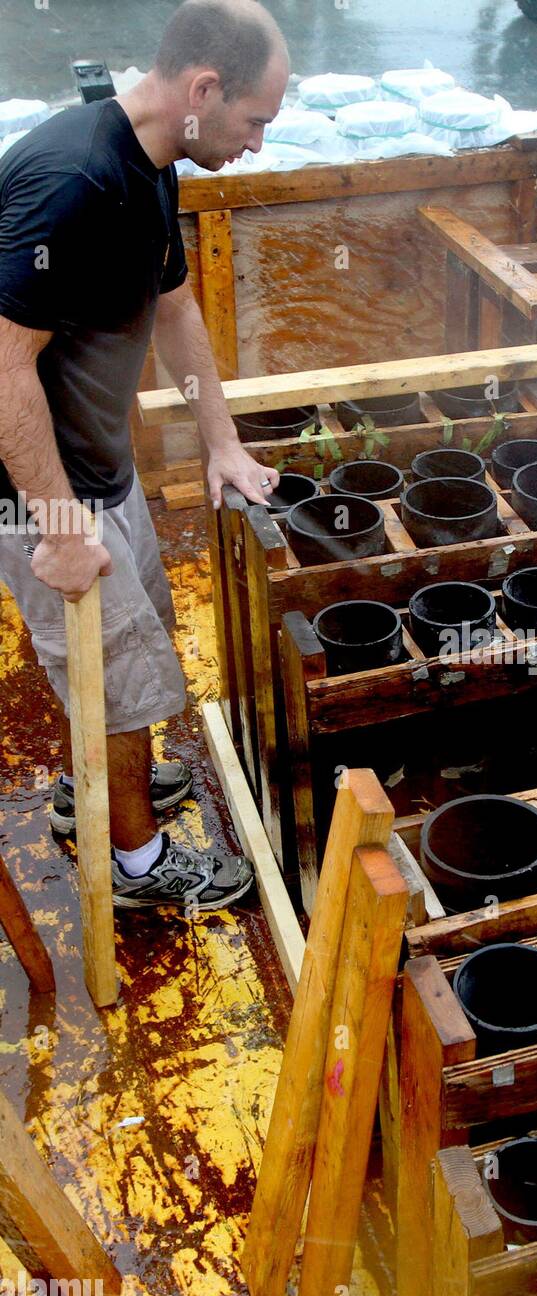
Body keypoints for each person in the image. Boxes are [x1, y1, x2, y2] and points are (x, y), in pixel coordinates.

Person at [0, 0, 290, 908]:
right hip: (33, 486)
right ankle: (136, 866)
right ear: (204, 90)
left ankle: (104, 788)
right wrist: (56, 525)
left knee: (139, 647)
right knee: (114, 675)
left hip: (98, 465)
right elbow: (2, 361)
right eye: (255, 121)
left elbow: (175, 308)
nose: (257, 143)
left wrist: (222, 442)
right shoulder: (74, 178)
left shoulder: (155, 160)